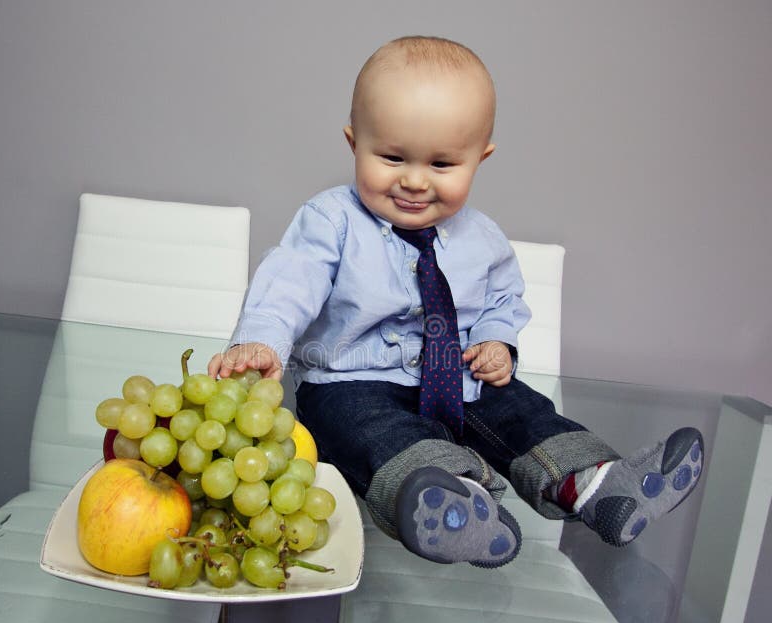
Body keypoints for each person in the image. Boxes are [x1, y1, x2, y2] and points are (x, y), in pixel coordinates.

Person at [208, 36, 704, 568]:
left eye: (442, 164)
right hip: (353, 379)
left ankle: (598, 485)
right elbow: (290, 279)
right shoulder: (332, 220)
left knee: (521, 410)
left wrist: (499, 341)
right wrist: (260, 339)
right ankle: (451, 504)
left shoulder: (484, 239)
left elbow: (504, 299)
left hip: (460, 376)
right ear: (354, 143)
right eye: (392, 157)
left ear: (479, 158)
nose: (415, 181)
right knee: (371, 431)